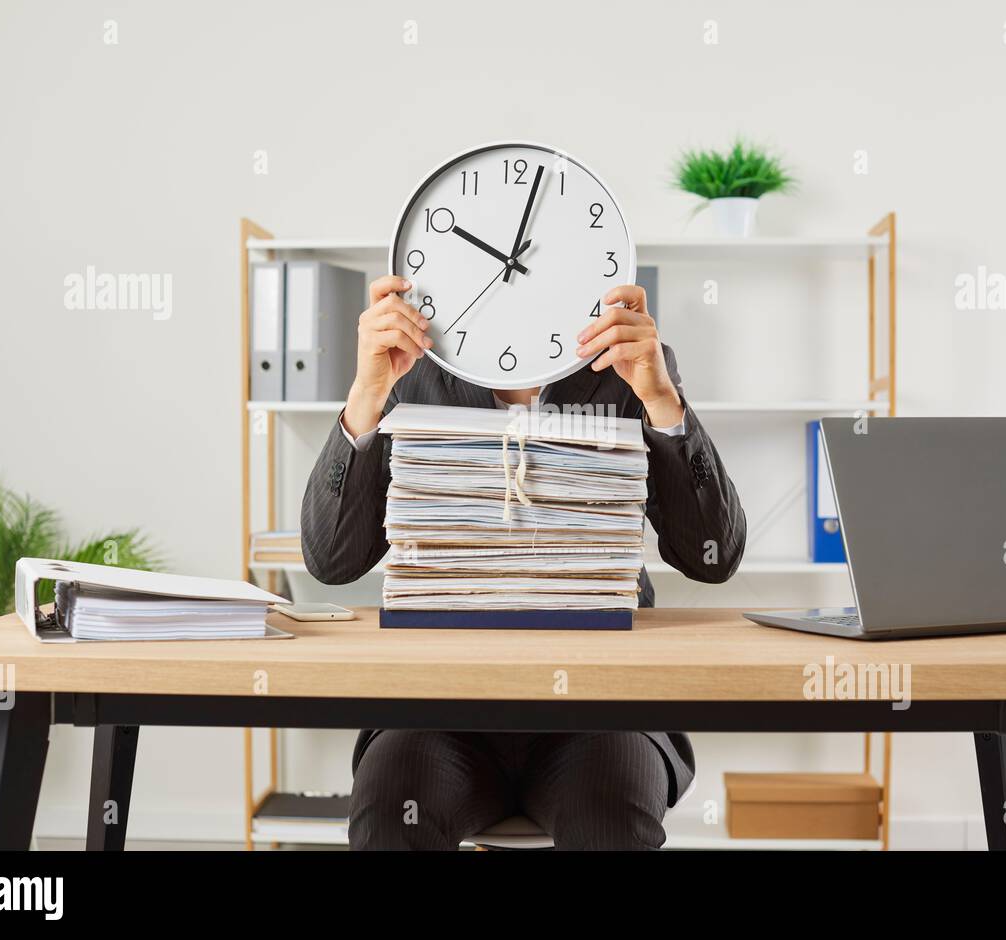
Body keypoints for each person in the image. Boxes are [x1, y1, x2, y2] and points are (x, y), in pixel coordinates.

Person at [301, 275, 746, 849]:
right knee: (390, 814)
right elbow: (331, 560)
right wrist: (366, 393)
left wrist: (663, 401)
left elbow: (713, 556)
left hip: (597, 707)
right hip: (442, 706)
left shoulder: (622, 364)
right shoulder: (412, 368)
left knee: (610, 822)